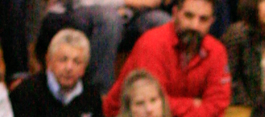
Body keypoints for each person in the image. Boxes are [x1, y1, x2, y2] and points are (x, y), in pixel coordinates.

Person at [102, 0, 234, 117]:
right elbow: (150, 104)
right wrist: (193, 104)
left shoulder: (216, 51)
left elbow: (216, 107)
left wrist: (177, 115)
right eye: (189, 16)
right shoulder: (152, 43)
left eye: (203, 19)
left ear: (212, 22)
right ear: (175, 13)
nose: (194, 25)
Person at [38, 0, 173, 94]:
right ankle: (100, 94)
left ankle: (160, 93)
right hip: (76, 12)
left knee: (163, 22)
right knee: (110, 20)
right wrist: (126, 2)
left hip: (128, 16)